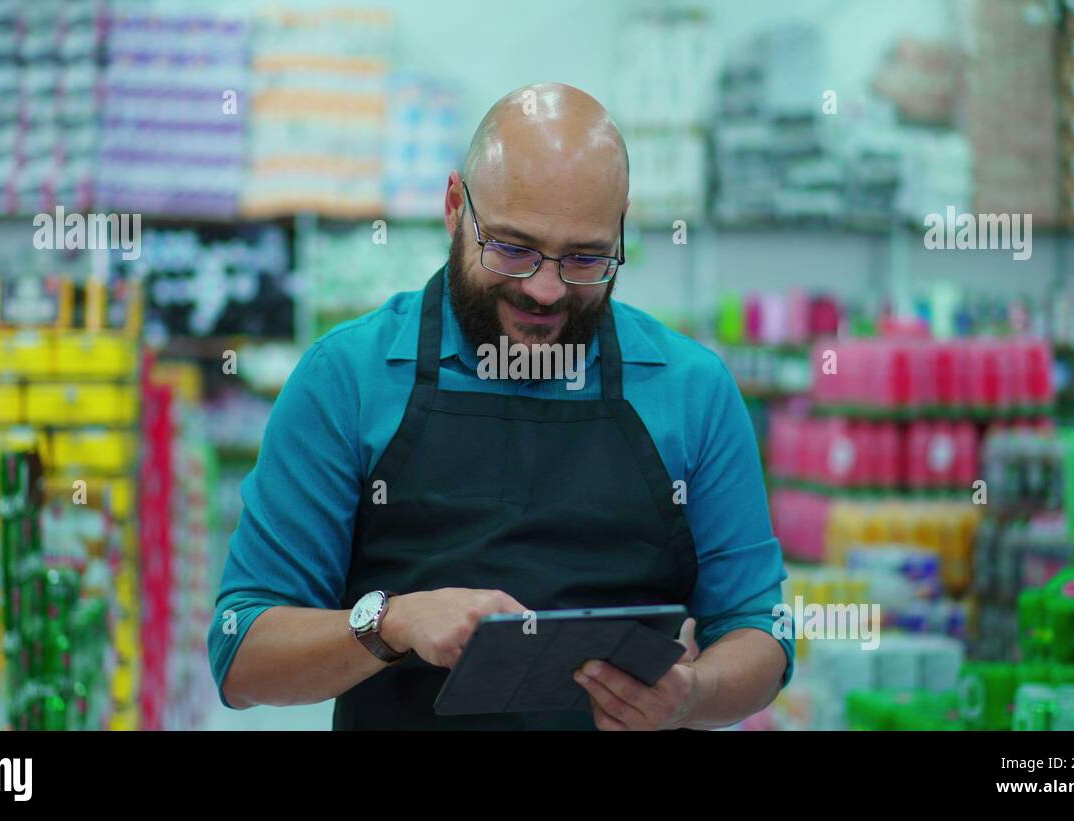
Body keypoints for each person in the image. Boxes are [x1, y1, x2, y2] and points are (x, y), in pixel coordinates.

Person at [209, 83, 793, 730]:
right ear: (455, 207)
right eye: (513, 247)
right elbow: (243, 651)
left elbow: (760, 631)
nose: (545, 289)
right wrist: (391, 620)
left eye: (585, 257)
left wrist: (693, 693)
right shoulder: (347, 379)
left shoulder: (693, 390)